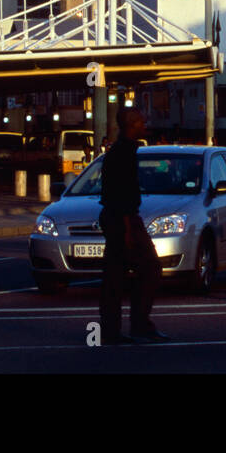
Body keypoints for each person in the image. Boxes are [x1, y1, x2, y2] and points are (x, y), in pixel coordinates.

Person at [98, 108, 167, 345]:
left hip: (118, 217)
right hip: (122, 219)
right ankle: (136, 325)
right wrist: (128, 229)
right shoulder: (122, 153)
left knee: (116, 276)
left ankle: (116, 328)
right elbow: (120, 195)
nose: (145, 123)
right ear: (132, 125)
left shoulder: (121, 151)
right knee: (148, 268)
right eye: (140, 121)